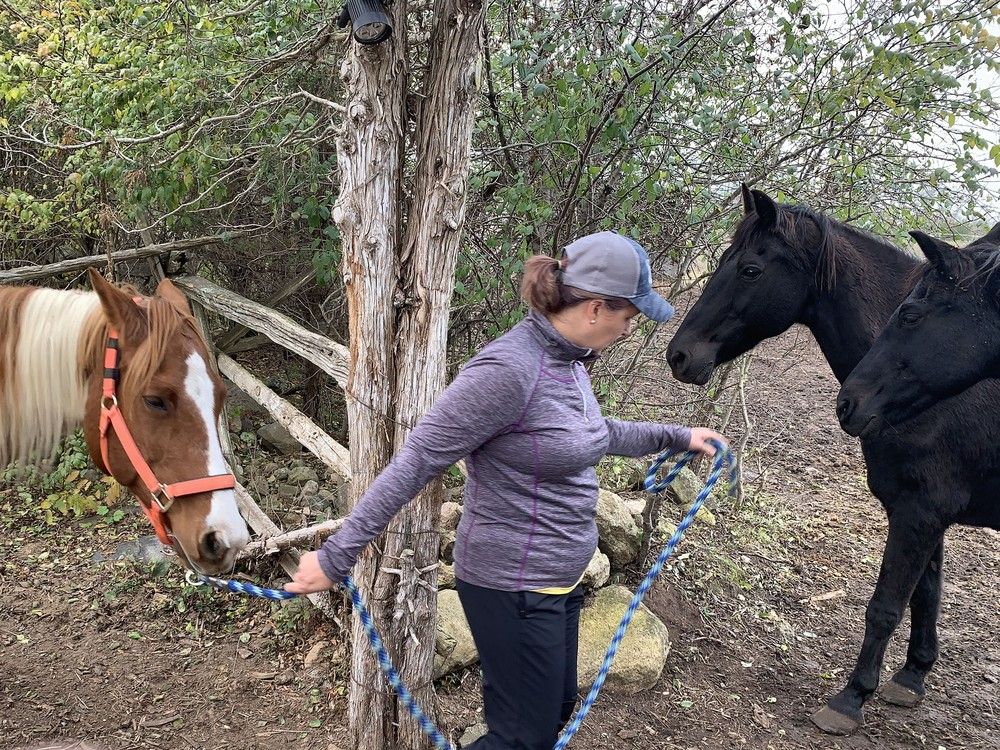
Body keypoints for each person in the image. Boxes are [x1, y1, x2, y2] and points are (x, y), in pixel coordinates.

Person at [287, 230, 728, 749]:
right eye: (629, 316)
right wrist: (337, 555)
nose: (631, 329)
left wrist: (677, 436)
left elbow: (592, 434)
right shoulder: (506, 372)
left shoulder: (569, 362)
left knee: (552, 711)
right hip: (512, 583)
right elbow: (419, 459)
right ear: (593, 307)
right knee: (523, 738)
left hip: (557, 580)